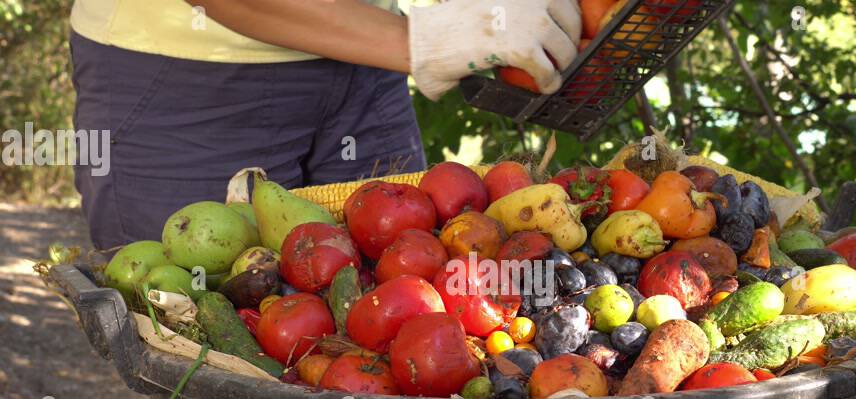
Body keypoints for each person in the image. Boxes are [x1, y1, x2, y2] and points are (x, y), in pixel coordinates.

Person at [70, 0, 582, 249]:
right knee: (212, 354)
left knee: (402, 319)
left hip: (365, 61)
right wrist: (421, 44)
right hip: (193, 79)